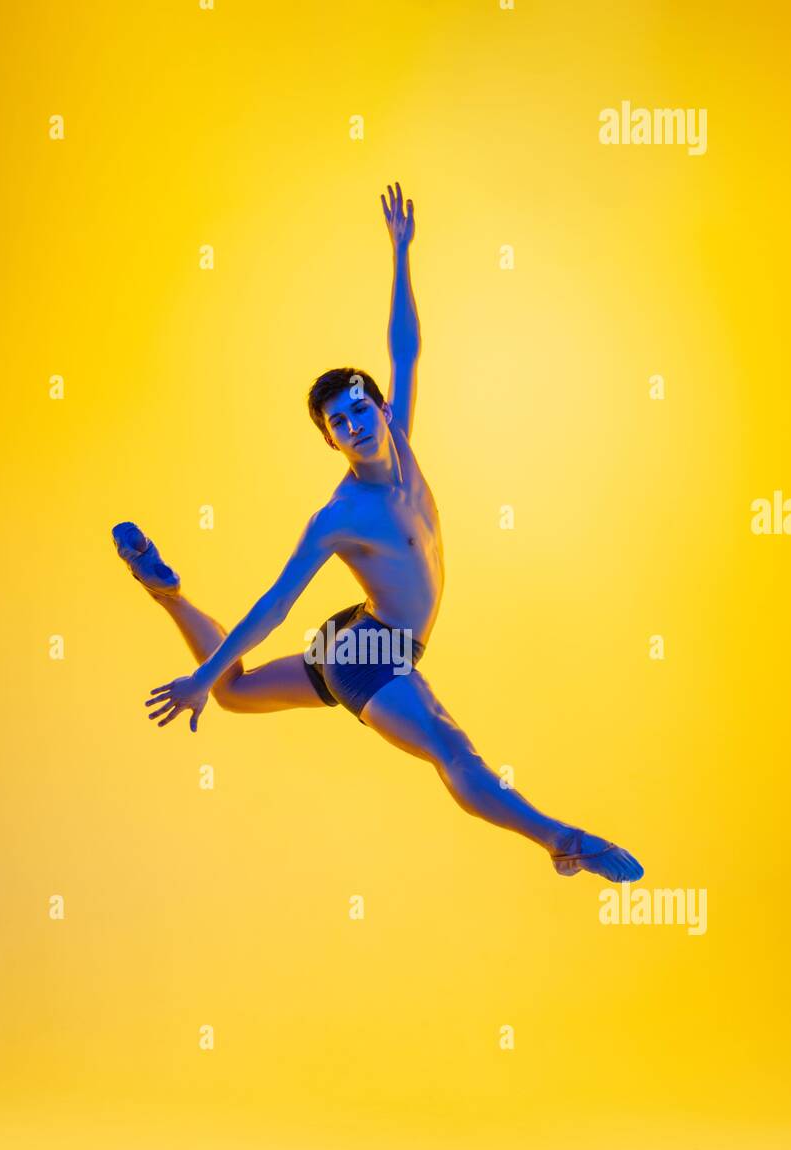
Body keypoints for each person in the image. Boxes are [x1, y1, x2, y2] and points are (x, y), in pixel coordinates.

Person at [113, 183, 643, 882]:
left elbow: (406, 349)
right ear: (331, 441)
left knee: (238, 696)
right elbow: (275, 605)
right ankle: (561, 840)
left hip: (359, 635)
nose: (356, 425)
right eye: (340, 423)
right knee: (452, 751)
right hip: (372, 649)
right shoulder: (339, 518)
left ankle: (168, 595)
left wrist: (400, 252)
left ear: (380, 409)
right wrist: (200, 677)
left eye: (360, 410)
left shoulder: (401, 436)